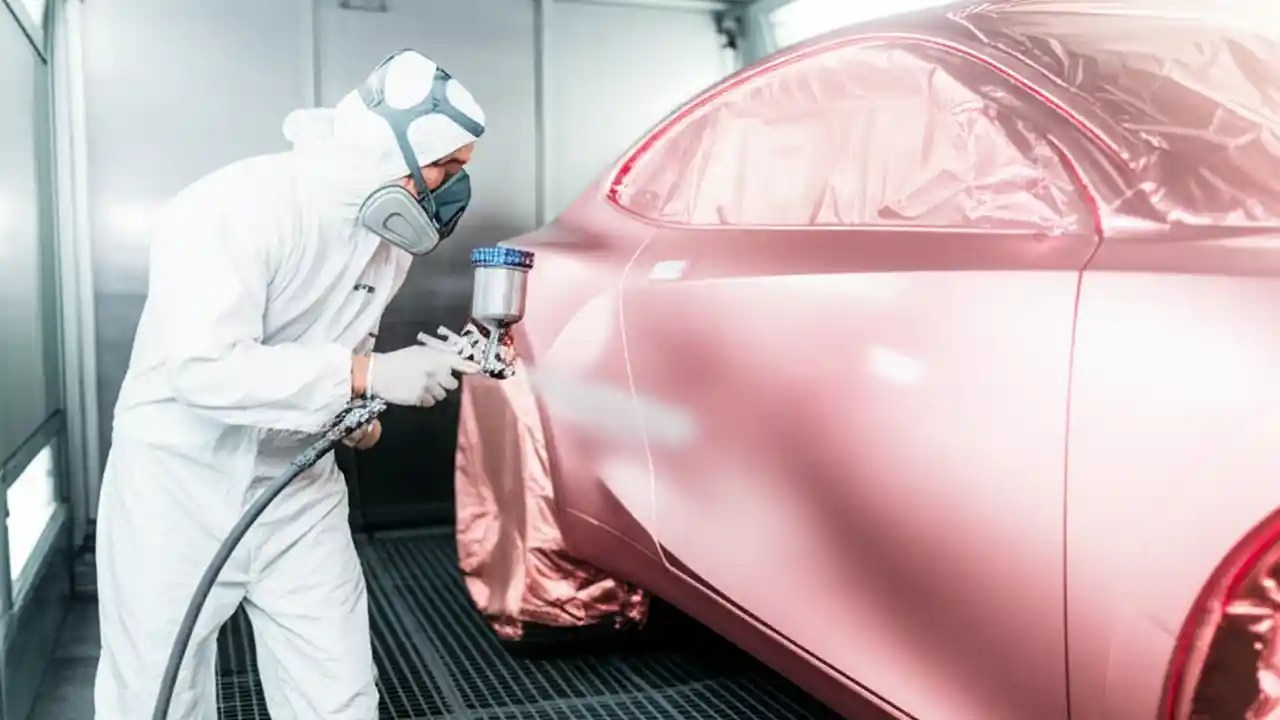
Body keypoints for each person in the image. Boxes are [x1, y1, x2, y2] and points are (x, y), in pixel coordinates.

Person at [93, 49, 486, 719]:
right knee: (158, 693)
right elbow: (204, 366)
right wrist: (365, 375)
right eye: (445, 168)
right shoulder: (237, 205)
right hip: (178, 487)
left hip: (297, 487)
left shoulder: (387, 243)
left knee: (338, 695)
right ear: (388, 149)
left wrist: (357, 411)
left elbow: (348, 351)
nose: (453, 189)